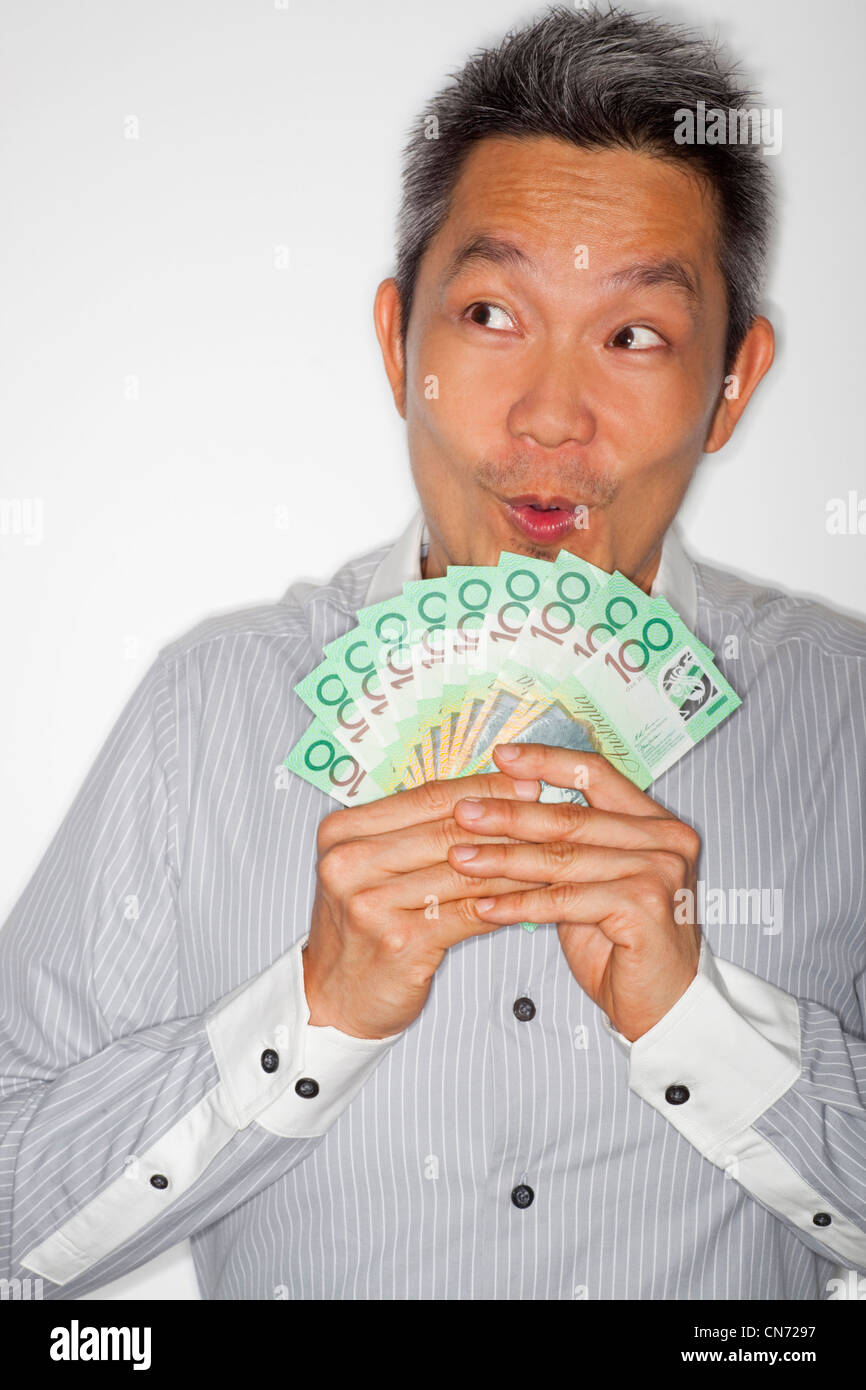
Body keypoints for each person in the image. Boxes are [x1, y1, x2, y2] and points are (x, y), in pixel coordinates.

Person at [2, 4, 864, 1301]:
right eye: (490, 313)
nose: (549, 417)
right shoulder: (210, 706)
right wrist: (312, 1010)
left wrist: (704, 1028)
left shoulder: (843, 715)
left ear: (733, 380)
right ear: (397, 340)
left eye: (633, 333)